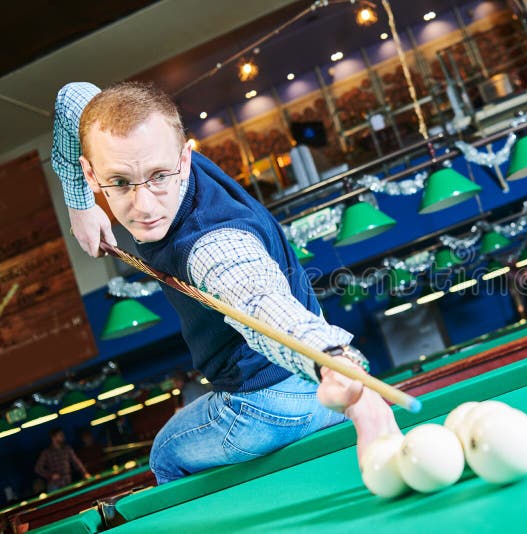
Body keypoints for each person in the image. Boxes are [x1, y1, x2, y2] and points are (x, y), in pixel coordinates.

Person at [52, 81, 399, 485]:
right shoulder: (123, 137)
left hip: (278, 403)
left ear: (184, 158)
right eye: (120, 182)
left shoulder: (210, 246)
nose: (143, 206)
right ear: (91, 172)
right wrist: (80, 204)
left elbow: (260, 301)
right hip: (317, 391)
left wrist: (345, 377)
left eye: (159, 176)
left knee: (165, 454)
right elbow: (71, 98)